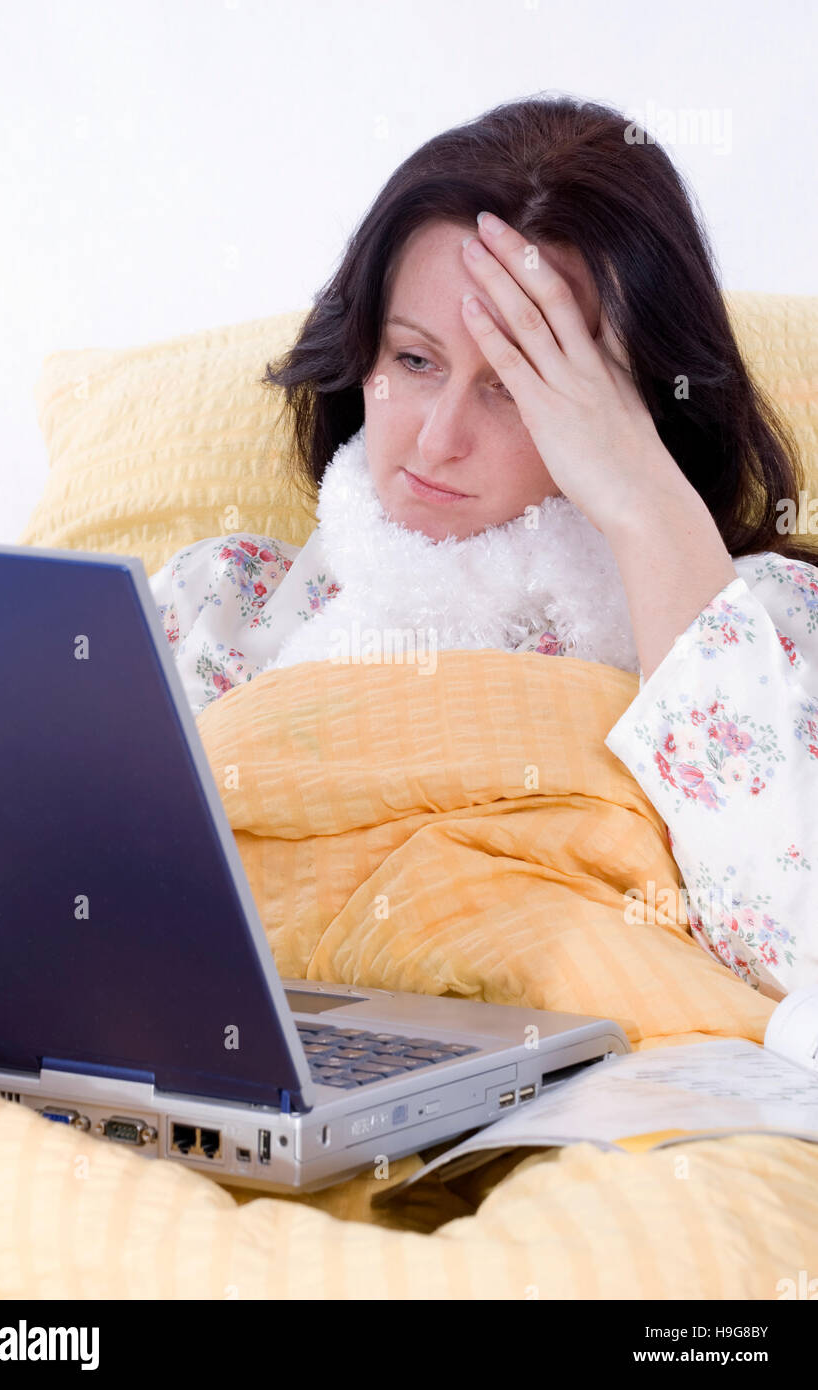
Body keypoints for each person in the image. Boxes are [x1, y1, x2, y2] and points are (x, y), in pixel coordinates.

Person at [149, 93, 818, 1003]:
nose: (435, 441)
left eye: (518, 386)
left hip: (622, 1108)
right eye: (415, 362)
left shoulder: (768, 631)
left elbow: (794, 958)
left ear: (636, 409)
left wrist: (645, 503)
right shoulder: (214, 607)